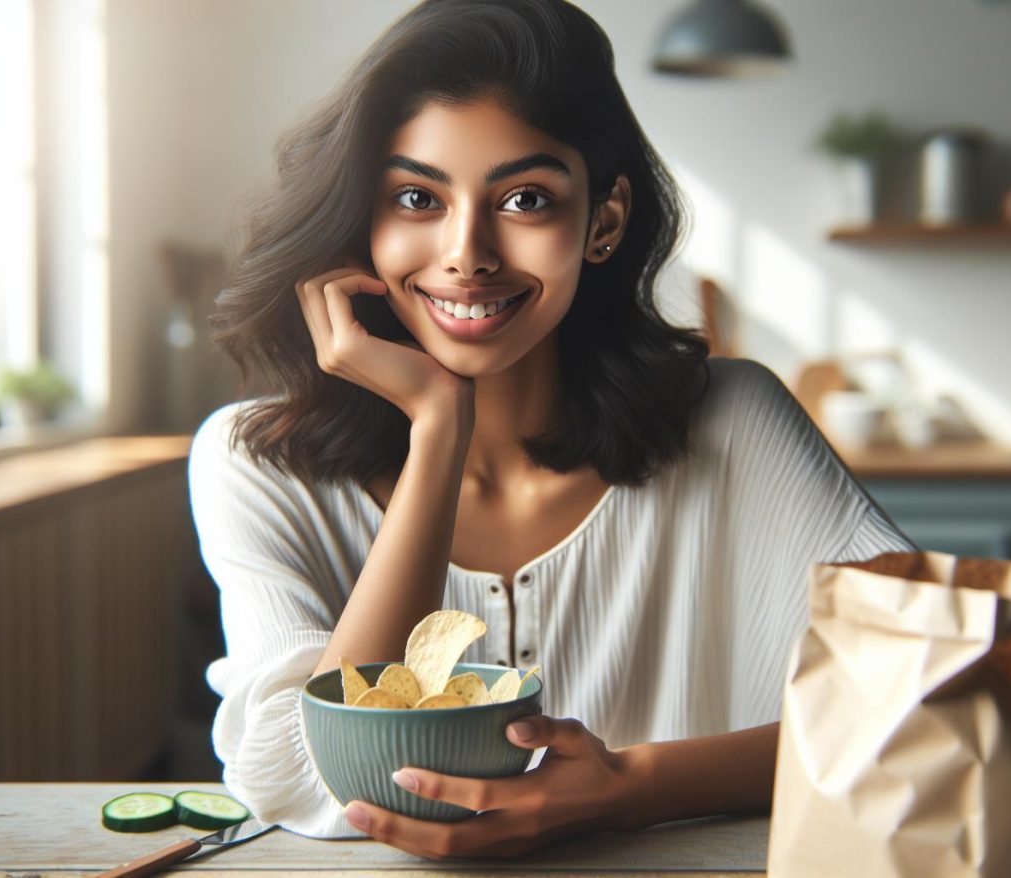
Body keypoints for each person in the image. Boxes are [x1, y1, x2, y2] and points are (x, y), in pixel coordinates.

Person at [189, 0, 912, 860]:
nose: (468, 253)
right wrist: (437, 430)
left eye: (525, 199)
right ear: (363, 218)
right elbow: (320, 778)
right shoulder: (254, 461)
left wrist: (628, 790)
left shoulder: (734, 421)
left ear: (602, 222)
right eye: (417, 196)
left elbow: (960, 700)